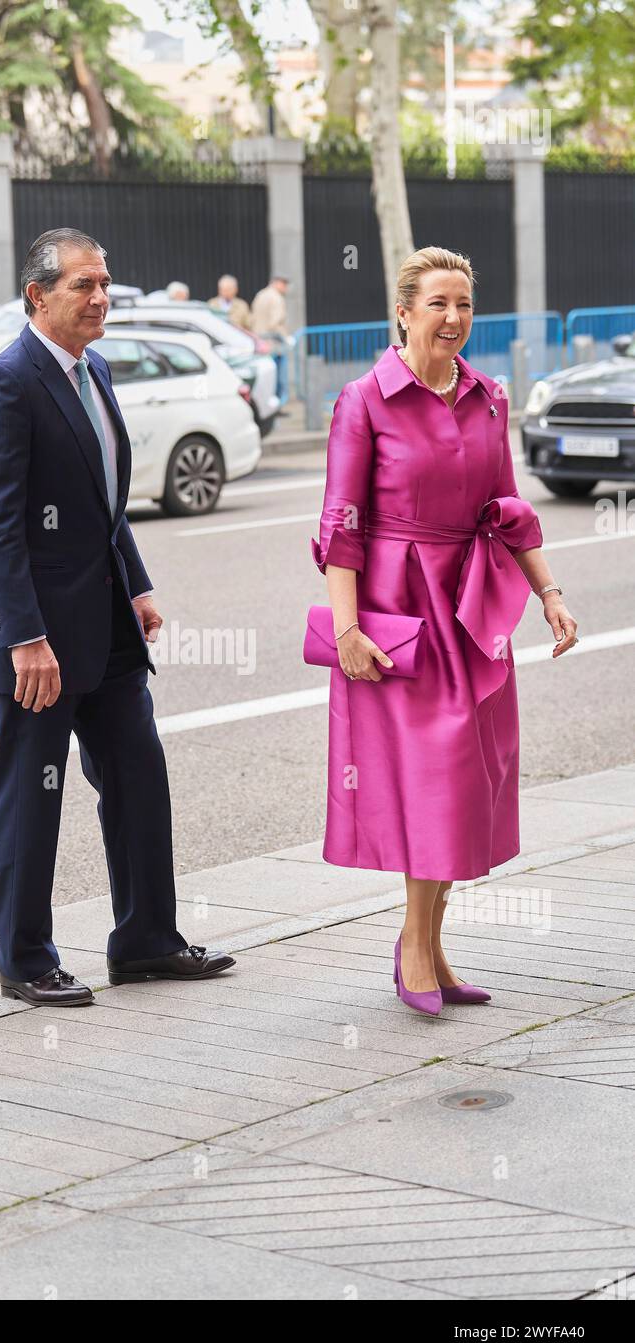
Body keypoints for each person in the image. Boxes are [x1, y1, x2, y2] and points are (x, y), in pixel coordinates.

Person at [0, 227, 234, 1005]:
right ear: (37, 296)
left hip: (108, 625)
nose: (101, 297)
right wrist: (26, 638)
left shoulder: (95, 368)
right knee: (32, 795)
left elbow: (107, 503)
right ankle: (25, 959)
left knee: (140, 777)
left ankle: (146, 940)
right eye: (83, 285)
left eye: (105, 282)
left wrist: (137, 584)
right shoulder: (3, 386)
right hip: (37, 642)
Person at [312, 245, 579, 1017]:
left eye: (464, 304)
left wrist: (549, 593)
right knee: (430, 783)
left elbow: (509, 507)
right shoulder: (363, 400)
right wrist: (348, 628)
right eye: (438, 303)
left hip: (471, 606)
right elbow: (341, 526)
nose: (454, 318)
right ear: (403, 311)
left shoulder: (490, 396)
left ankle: (425, 945)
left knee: (465, 783)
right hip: (399, 611)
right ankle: (417, 948)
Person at [251, 275, 290, 403]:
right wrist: (286, 338)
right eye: (284, 284)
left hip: (260, 344)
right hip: (274, 344)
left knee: (266, 378)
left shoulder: (260, 295)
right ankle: (277, 405)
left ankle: (267, 405)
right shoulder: (276, 298)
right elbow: (275, 322)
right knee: (278, 378)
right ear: (277, 283)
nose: (286, 288)